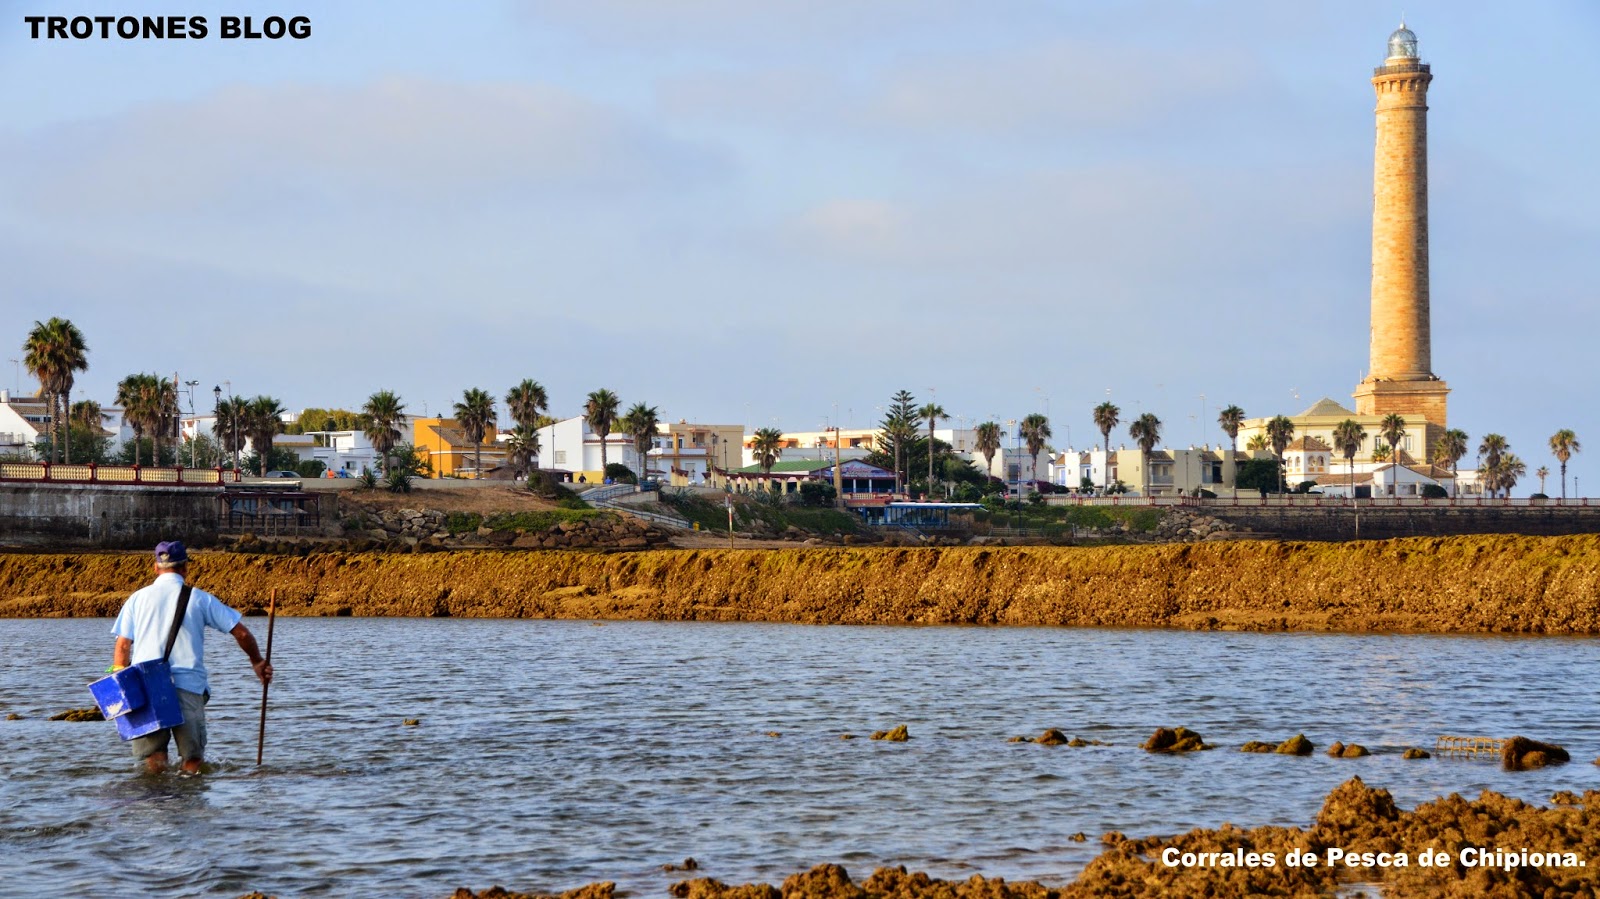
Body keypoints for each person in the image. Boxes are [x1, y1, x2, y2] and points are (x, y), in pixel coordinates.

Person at [110, 541, 273, 774]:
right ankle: (189, 804)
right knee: (192, 760)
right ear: (185, 568)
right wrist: (257, 661)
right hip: (187, 686)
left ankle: (157, 804)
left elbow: (123, 646)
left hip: (147, 688)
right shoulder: (199, 598)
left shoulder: (137, 599)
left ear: (155, 568)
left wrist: (120, 682)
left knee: (155, 760)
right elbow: (242, 633)